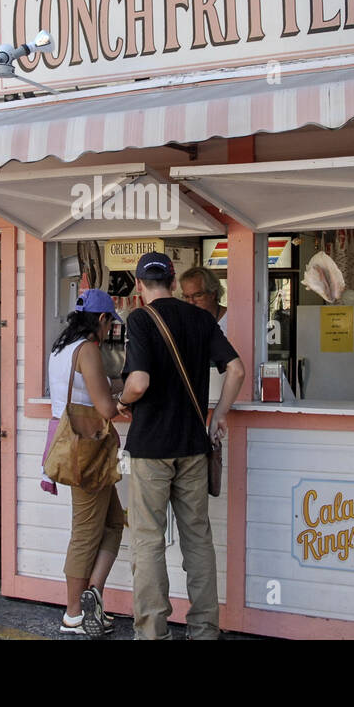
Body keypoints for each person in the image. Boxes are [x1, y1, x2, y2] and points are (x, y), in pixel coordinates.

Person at [117, 252, 245, 639]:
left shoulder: (139, 319)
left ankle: (153, 631)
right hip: (193, 444)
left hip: (150, 448)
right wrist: (220, 414)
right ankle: (205, 629)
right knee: (198, 540)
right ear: (173, 281)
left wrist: (123, 401)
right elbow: (235, 369)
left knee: (148, 541)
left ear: (140, 286)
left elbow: (138, 382)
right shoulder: (202, 318)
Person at [47, 288, 128, 638]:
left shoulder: (62, 347)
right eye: (110, 322)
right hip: (88, 454)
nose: (111, 329)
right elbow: (106, 408)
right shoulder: (88, 351)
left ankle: (92, 594)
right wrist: (130, 395)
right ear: (101, 319)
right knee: (84, 534)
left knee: (113, 523)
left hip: (72, 448)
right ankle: (74, 613)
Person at [180, 265, 227, 333]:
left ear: (212, 294)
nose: (191, 302)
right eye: (186, 297)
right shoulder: (185, 322)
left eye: (197, 295)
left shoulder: (231, 320)